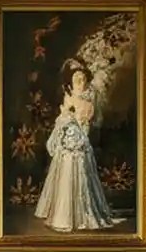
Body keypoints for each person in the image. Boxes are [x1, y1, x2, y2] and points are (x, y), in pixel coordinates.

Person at [34, 63, 120, 232]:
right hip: (66, 145)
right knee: (64, 176)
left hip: (79, 145)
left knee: (80, 173)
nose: (80, 83)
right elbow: (60, 124)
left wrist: (75, 131)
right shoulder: (67, 100)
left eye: (83, 80)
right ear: (71, 83)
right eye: (76, 80)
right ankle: (62, 216)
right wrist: (64, 125)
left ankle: (81, 216)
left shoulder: (88, 105)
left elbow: (85, 129)